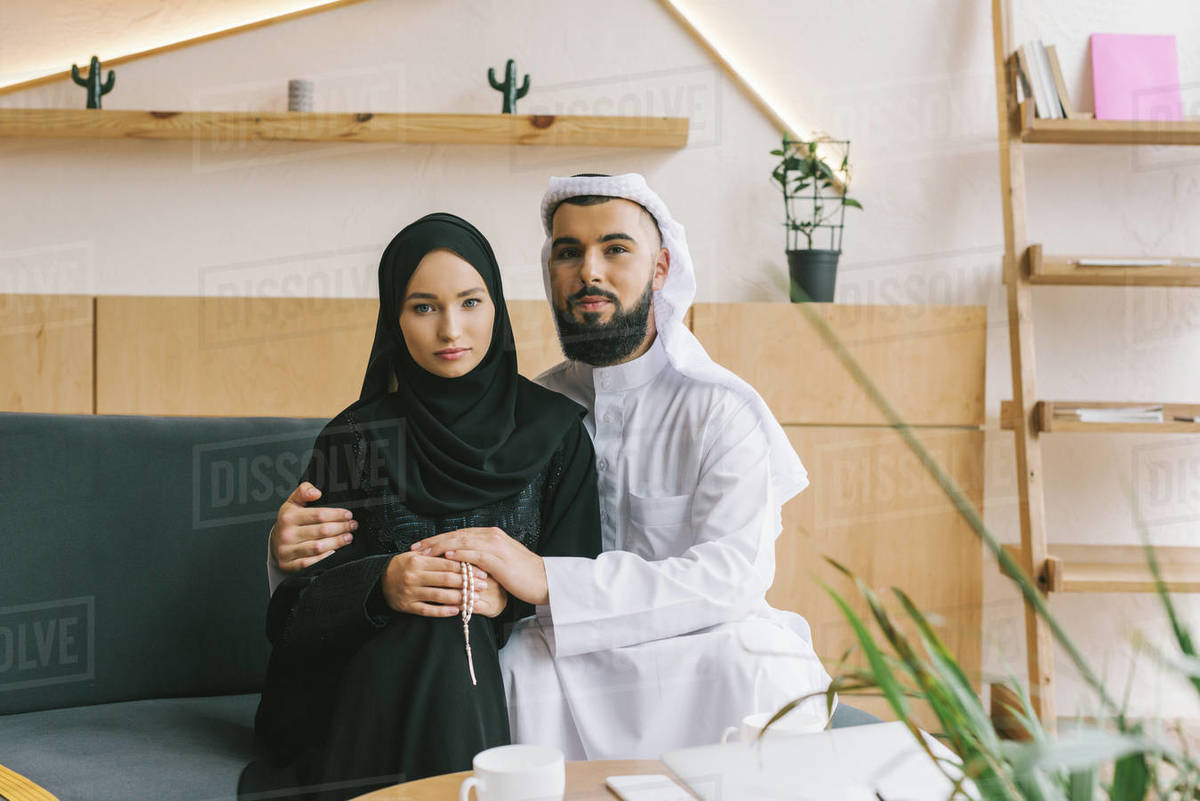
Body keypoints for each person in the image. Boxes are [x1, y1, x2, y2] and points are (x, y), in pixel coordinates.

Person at [268, 175, 835, 761]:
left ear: (660, 268)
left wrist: (546, 582)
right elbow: (320, 583)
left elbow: (733, 577)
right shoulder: (533, 408)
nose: (589, 272)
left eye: (615, 249)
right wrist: (286, 548)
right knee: (489, 661)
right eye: (569, 252)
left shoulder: (720, 410)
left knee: (760, 666)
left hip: (693, 645)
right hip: (557, 653)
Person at [241, 213, 601, 801]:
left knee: (452, 623)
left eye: (470, 302)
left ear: (497, 306)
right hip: (362, 685)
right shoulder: (356, 438)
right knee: (437, 625)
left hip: (492, 675)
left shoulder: (558, 436)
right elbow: (292, 618)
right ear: (395, 318)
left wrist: (506, 598)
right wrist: (383, 583)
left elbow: (580, 584)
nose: (450, 329)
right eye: (424, 307)